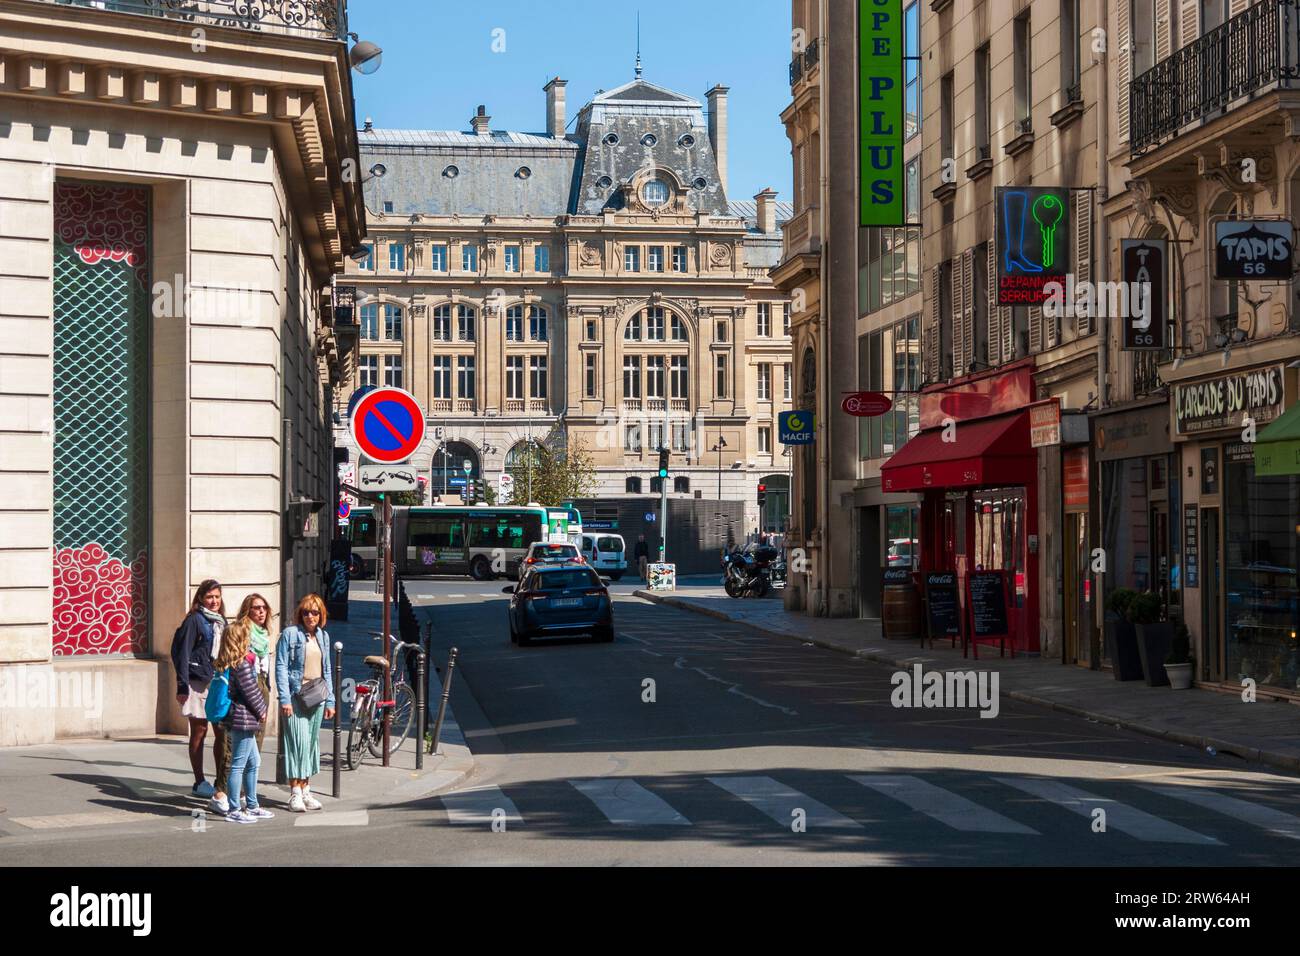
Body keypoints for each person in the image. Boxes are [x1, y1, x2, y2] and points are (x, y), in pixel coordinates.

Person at [275, 594, 336, 813]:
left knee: (310, 745)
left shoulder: (323, 636)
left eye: (315, 612)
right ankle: (295, 794)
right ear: (300, 614)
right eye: (306, 612)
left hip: (317, 697)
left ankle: (306, 789)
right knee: (296, 744)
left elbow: (327, 668)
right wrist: (284, 699)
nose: (310, 616)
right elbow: (280, 666)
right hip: (295, 696)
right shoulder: (290, 635)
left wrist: (330, 700)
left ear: (321, 615)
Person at [170, 579, 225, 799]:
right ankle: (199, 781)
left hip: (217, 680)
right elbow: (182, 653)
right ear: (201, 598)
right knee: (200, 730)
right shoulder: (194, 620)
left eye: (217, 597)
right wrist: (182, 686)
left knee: (221, 730)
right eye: (210, 597)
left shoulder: (221, 622)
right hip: (196, 681)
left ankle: (221, 779)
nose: (214, 601)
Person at [215, 619, 272, 823]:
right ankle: (234, 808)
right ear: (240, 640)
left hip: (239, 717)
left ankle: (252, 804)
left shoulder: (230, 663)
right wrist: (262, 711)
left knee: (253, 761)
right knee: (238, 764)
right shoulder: (243, 665)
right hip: (244, 718)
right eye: (246, 636)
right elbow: (251, 692)